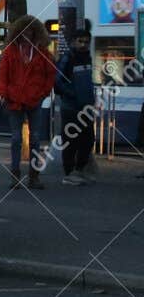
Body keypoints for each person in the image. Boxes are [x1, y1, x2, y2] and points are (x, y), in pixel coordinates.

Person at [0, 15, 56, 189]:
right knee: (16, 139)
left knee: (35, 139)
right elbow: (3, 76)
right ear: (19, 32)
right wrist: (4, 93)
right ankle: (16, 175)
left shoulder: (41, 52)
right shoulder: (10, 52)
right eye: (24, 31)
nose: (27, 33)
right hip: (15, 100)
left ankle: (33, 176)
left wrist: (43, 93)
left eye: (30, 30)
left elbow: (50, 75)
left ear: (35, 32)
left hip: (33, 100)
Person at [54, 28, 99, 186]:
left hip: (86, 106)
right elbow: (57, 81)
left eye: (86, 41)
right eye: (80, 41)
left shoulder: (87, 58)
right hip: (71, 107)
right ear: (73, 42)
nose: (83, 44)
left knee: (88, 139)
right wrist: (73, 94)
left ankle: (78, 170)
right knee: (71, 141)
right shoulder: (67, 58)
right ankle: (69, 173)